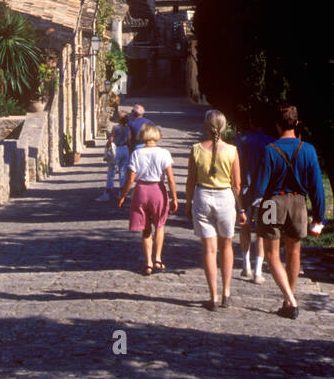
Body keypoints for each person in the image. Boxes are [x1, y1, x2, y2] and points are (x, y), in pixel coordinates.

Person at [250, 104, 325, 319]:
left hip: (272, 202)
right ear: (297, 123)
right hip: (298, 203)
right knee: (294, 252)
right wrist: (319, 216)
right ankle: (288, 298)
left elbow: (260, 188)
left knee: (272, 254)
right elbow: (317, 187)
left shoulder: (270, 150)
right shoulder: (308, 150)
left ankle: (290, 300)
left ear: (276, 124)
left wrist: (249, 209)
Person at [186, 109, 245, 311]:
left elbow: (190, 181)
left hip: (202, 196)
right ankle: (227, 293)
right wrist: (241, 209)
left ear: (206, 127)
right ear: (224, 127)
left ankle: (213, 296)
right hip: (225, 198)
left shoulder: (195, 149)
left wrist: (188, 204)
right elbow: (237, 184)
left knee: (209, 250)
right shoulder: (231, 151)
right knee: (227, 246)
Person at [117, 123, 178, 274]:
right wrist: (174, 198)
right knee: (159, 225)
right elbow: (170, 178)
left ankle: (148, 263)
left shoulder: (137, 154)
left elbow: (130, 179)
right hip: (158, 190)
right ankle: (158, 258)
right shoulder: (164, 153)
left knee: (145, 228)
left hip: (141, 190)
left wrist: (123, 195)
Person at [235, 123, 274, 283]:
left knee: (244, 227)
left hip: (244, 189)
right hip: (266, 192)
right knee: (262, 231)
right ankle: (258, 271)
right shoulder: (272, 142)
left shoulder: (240, 140)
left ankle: (246, 266)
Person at [96, 111, 130, 202]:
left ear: (119, 118)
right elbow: (129, 139)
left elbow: (111, 139)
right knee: (123, 172)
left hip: (117, 149)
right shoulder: (128, 128)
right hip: (125, 149)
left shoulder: (116, 127)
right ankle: (122, 193)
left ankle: (107, 193)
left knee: (111, 172)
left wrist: (107, 144)